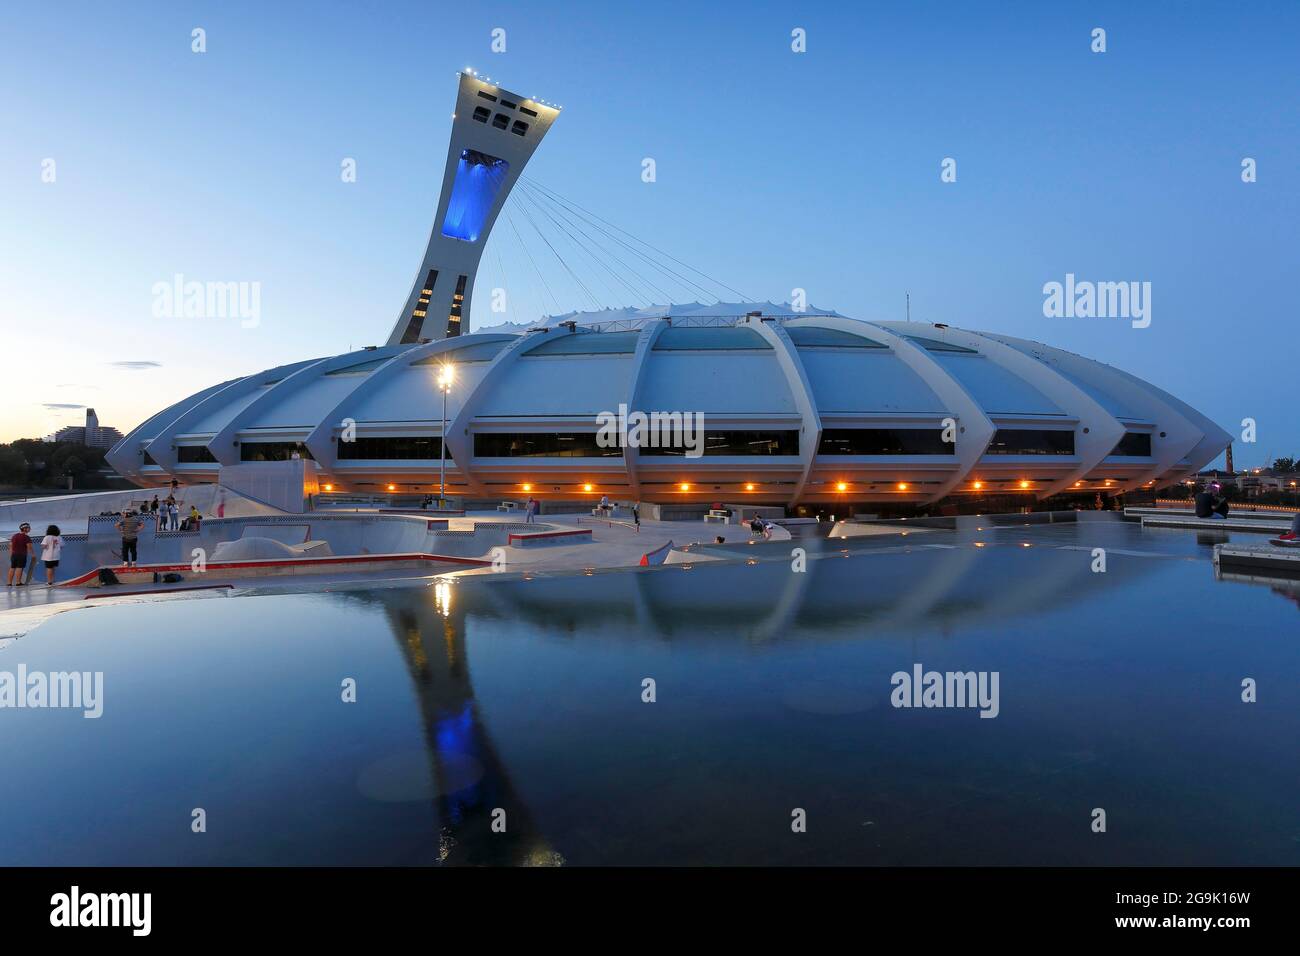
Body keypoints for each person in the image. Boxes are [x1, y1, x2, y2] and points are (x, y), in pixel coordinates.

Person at [8, 522, 33, 586]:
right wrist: (33, 554)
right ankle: (18, 582)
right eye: (28, 528)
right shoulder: (26, 537)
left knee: (12, 568)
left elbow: (10, 545)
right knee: (19, 568)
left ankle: (9, 583)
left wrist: (11, 554)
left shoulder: (14, 536)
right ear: (25, 529)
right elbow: (29, 547)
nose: (30, 529)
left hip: (14, 554)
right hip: (21, 555)